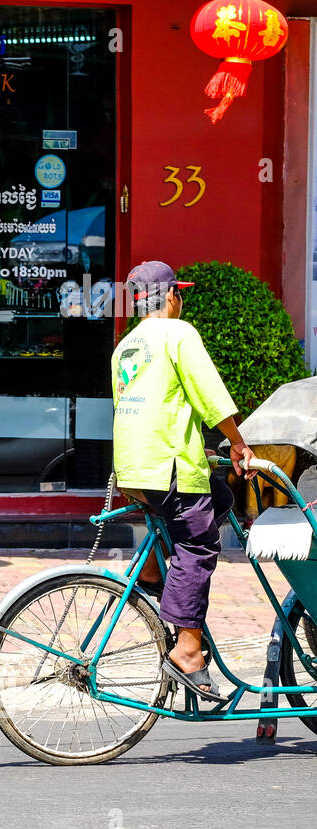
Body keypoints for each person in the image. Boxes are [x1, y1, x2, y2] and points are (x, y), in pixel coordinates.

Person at [112, 260, 254, 703]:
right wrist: (238, 445)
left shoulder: (126, 346)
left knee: (222, 497)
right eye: (180, 293)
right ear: (171, 295)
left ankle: (154, 573)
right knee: (199, 544)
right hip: (169, 467)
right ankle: (188, 651)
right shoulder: (179, 333)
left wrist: (201, 449)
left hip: (135, 468)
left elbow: (156, 405)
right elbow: (209, 395)